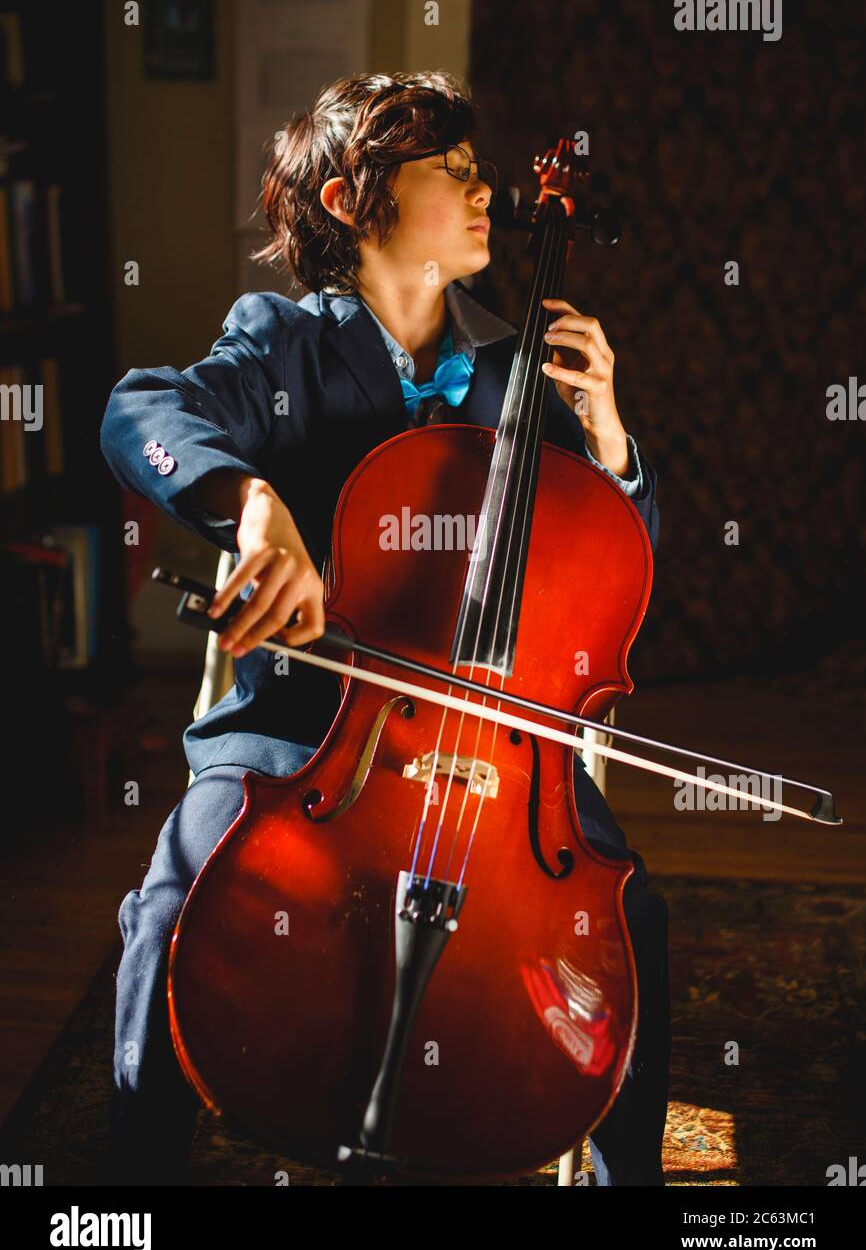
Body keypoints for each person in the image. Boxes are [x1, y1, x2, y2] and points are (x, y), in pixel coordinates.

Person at [99, 70, 669, 1186]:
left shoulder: (518, 371)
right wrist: (249, 502)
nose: (481, 189)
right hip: (305, 736)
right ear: (356, 202)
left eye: (474, 167)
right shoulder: (279, 344)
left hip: (499, 759)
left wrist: (608, 443)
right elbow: (139, 407)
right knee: (172, 896)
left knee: (629, 918)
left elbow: (614, 561)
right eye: (447, 170)